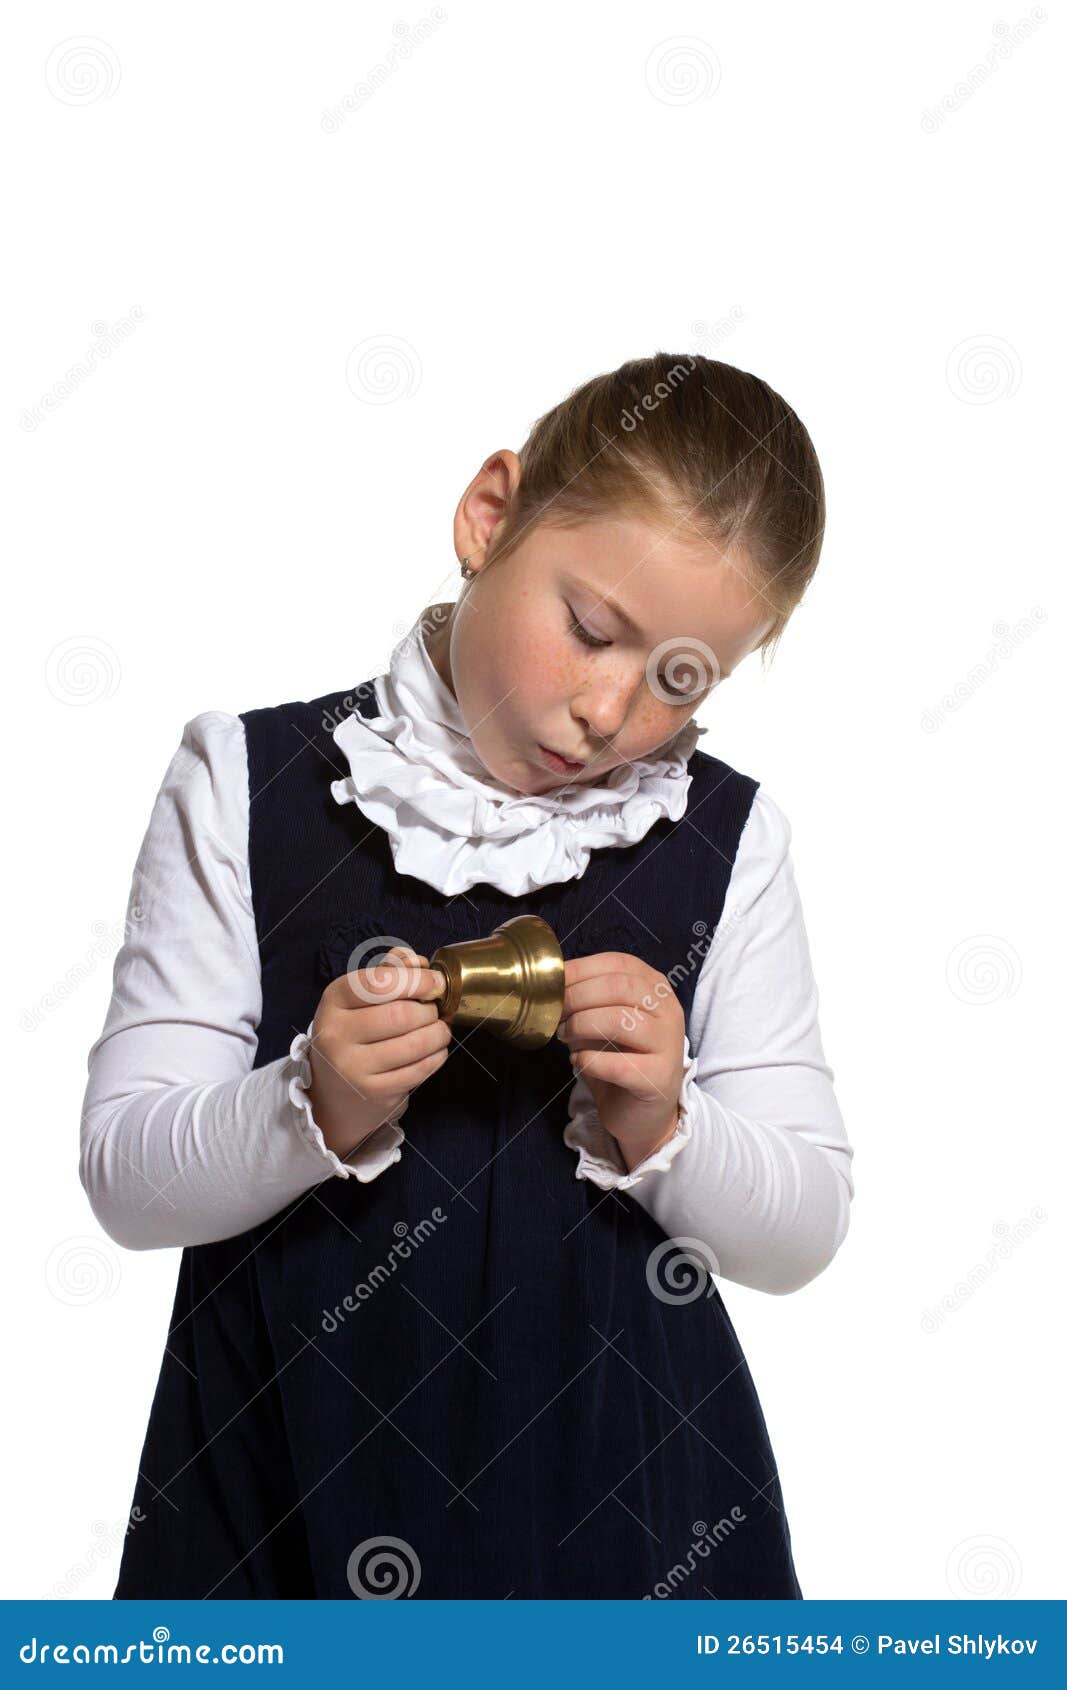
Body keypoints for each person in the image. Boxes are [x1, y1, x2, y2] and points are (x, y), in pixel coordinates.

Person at [81, 352, 855, 1599]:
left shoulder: (724, 839)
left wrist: (668, 1123)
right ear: (489, 514)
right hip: (279, 1496)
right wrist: (310, 1101)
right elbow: (126, 1178)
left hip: (631, 1517)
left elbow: (802, 1226)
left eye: (678, 680)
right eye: (588, 630)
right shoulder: (247, 781)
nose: (607, 709)